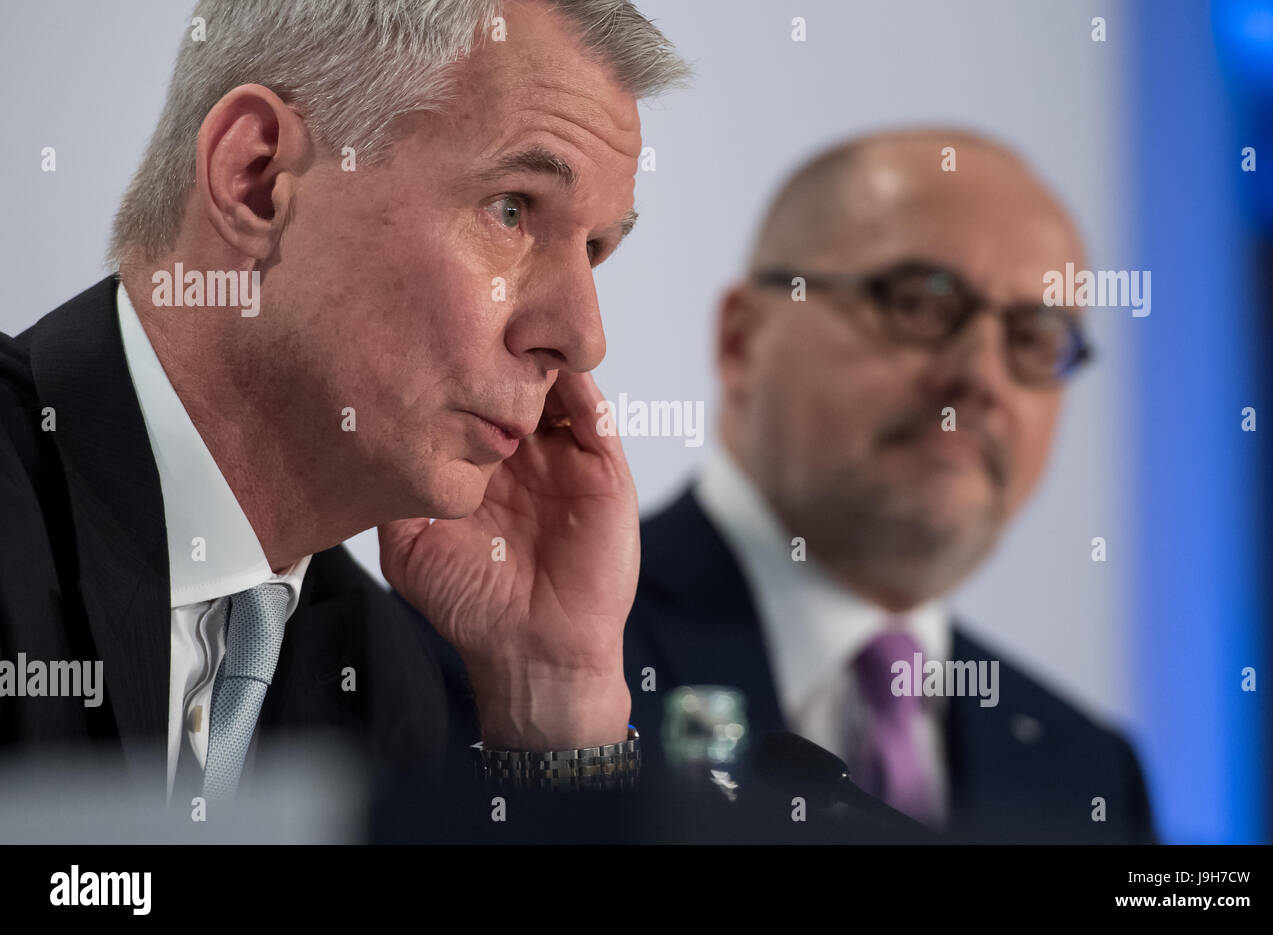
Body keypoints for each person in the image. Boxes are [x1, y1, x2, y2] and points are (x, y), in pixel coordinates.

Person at [0, 0, 688, 813]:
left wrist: (554, 695)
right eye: (512, 209)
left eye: (597, 249)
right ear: (255, 180)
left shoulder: (381, 685)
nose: (583, 336)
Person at [624, 130, 1156, 843]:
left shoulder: (1088, 771)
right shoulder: (532, 659)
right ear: (742, 340)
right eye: (920, 303)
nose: (981, 376)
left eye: (1034, 336)